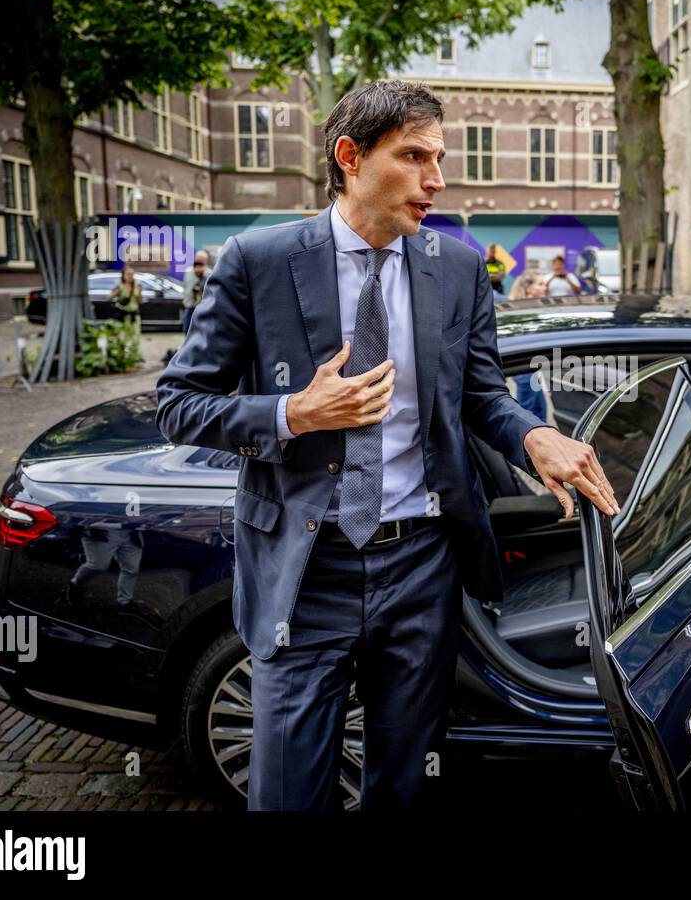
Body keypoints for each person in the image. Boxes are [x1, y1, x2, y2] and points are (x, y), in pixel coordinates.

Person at [156, 80, 617, 812]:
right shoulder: (259, 261)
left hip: (420, 566)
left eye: (441, 158)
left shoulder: (459, 269)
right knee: (283, 793)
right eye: (413, 156)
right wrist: (291, 413)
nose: (437, 179)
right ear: (350, 156)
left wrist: (534, 433)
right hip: (307, 573)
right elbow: (179, 405)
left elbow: (480, 396)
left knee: (406, 785)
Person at [506, 270, 549, 421]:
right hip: (524, 368)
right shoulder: (520, 310)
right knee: (527, 414)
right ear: (528, 288)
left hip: (531, 367)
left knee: (540, 409)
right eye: (541, 284)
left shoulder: (532, 308)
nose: (545, 287)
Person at [181, 250, 213, 336]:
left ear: (205, 262)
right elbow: (185, 287)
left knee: (202, 332)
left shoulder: (209, 274)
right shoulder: (188, 272)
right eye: (198, 260)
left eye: (202, 261)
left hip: (203, 308)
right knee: (187, 330)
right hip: (190, 306)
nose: (199, 263)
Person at [107, 264, 143, 333]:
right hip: (122, 315)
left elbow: (140, 302)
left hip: (133, 315)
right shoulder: (120, 286)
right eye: (128, 274)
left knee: (134, 336)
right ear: (123, 275)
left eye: (132, 274)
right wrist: (116, 292)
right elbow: (108, 299)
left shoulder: (137, 286)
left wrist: (140, 292)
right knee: (122, 336)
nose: (130, 276)